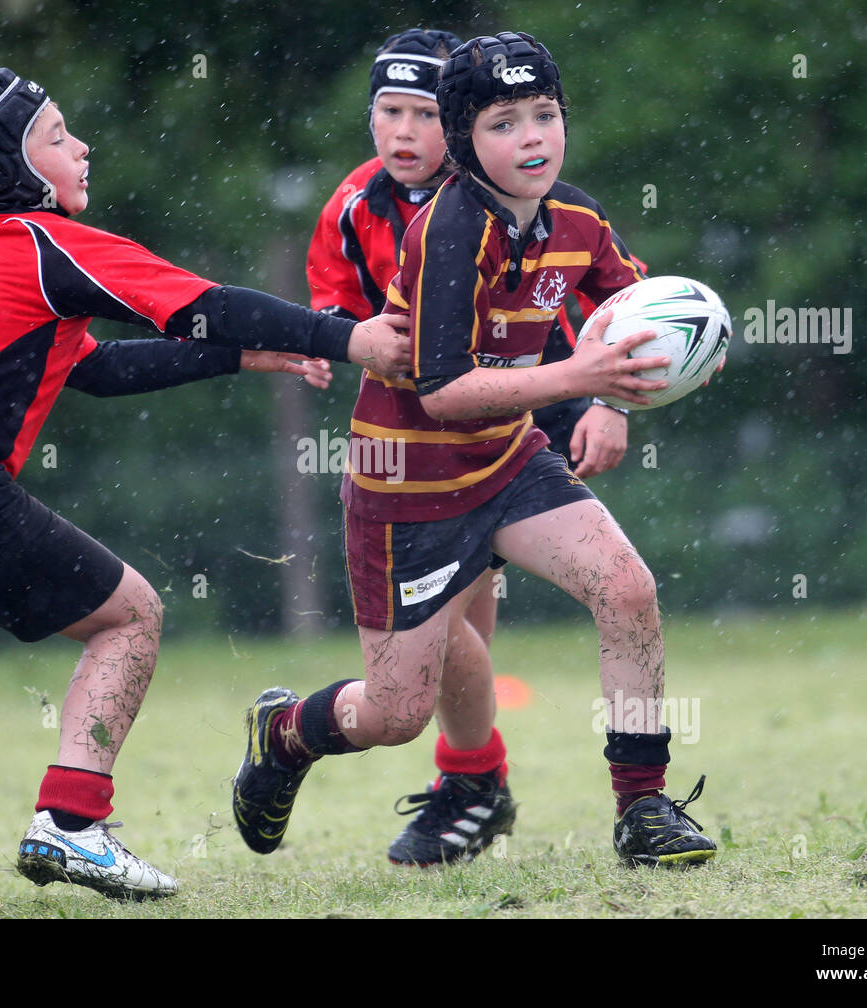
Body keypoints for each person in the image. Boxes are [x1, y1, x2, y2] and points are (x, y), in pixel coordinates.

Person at [0, 64, 409, 918]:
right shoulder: (46, 242)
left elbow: (96, 372)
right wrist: (346, 334)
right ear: (14, 171)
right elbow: (203, 304)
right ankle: (72, 818)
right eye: (59, 135)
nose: (84, 146)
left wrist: (241, 356)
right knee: (131, 617)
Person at [236, 32, 717, 871]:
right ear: (466, 142)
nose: (532, 137)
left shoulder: (577, 219)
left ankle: (645, 809)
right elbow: (443, 393)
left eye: (546, 115)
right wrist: (578, 374)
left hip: (507, 460)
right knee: (395, 713)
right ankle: (285, 733)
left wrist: (670, 364)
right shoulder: (446, 232)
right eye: (504, 122)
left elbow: (634, 310)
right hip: (405, 487)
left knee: (627, 587)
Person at [304, 29, 636, 865]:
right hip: (413, 442)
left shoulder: (537, 199)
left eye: (423, 112)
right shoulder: (363, 206)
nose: (405, 131)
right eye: (391, 112)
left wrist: (605, 395)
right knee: (434, 660)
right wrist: (332, 339)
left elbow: (596, 299)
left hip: (532, 402)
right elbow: (337, 313)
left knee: (519, 612)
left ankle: (477, 785)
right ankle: (461, 775)